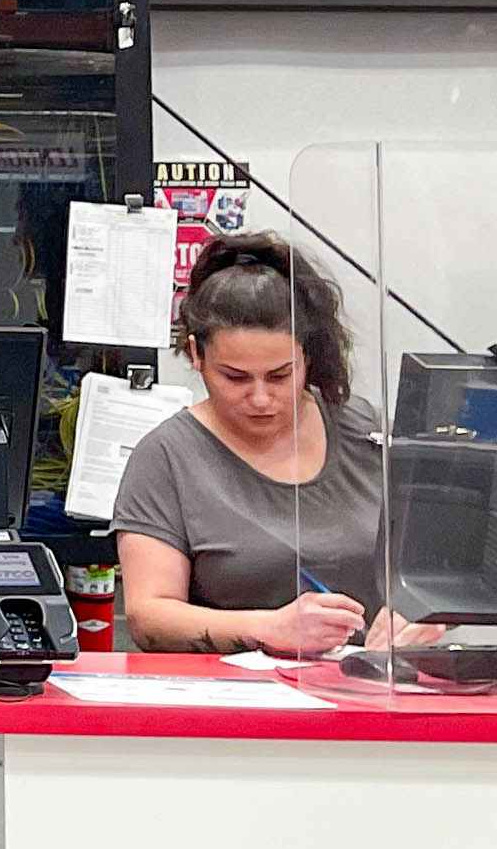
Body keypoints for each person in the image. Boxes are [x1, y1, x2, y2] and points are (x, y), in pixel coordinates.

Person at [115, 231, 400, 654]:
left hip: (372, 693)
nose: (261, 398)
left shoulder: (366, 430)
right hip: (236, 704)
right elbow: (149, 616)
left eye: (281, 375)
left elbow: (445, 568)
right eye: (235, 377)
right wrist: (269, 628)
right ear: (197, 355)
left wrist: (420, 616)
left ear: (307, 357)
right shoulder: (166, 458)